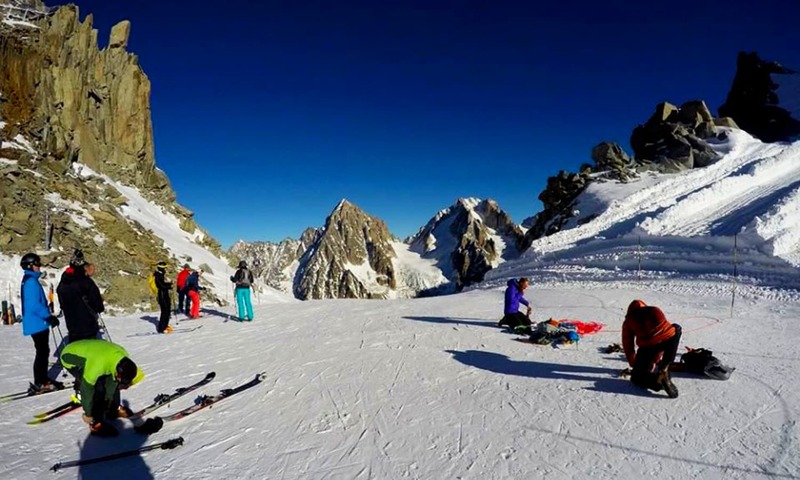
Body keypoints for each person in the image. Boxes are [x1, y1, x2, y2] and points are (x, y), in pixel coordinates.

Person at [60, 340, 144, 437]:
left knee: (113, 382)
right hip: (69, 355)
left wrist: (109, 400)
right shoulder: (97, 366)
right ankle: (96, 422)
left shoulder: (123, 357)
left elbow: (113, 381)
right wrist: (88, 414)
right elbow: (87, 390)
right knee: (97, 387)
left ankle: (113, 409)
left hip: (97, 355)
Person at [20, 253, 63, 393]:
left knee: (43, 351)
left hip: (37, 322)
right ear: (29, 266)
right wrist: (48, 316)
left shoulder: (30, 280)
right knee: (42, 352)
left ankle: (43, 379)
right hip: (36, 322)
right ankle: (40, 381)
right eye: (37, 264)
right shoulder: (31, 282)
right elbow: (33, 305)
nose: (39, 266)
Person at [622, 300, 682, 398]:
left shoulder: (628, 321)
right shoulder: (655, 310)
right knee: (676, 329)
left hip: (648, 346)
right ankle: (666, 365)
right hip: (670, 339)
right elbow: (662, 334)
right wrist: (656, 360)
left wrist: (635, 363)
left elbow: (628, 344)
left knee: (636, 378)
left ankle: (658, 380)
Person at [56, 249, 104, 342]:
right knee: (90, 347)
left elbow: (60, 295)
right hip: (88, 324)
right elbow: (97, 304)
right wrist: (98, 307)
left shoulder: (65, 279)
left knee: (75, 346)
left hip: (71, 324)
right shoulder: (85, 281)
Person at [153, 261, 173, 333]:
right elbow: (161, 285)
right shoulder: (158, 275)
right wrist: (169, 286)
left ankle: (165, 326)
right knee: (165, 311)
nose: (166, 269)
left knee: (167, 310)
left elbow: (163, 284)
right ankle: (162, 328)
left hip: (164, 294)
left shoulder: (160, 274)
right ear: (161, 268)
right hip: (162, 295)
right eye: (165, 268)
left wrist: (169, 284)